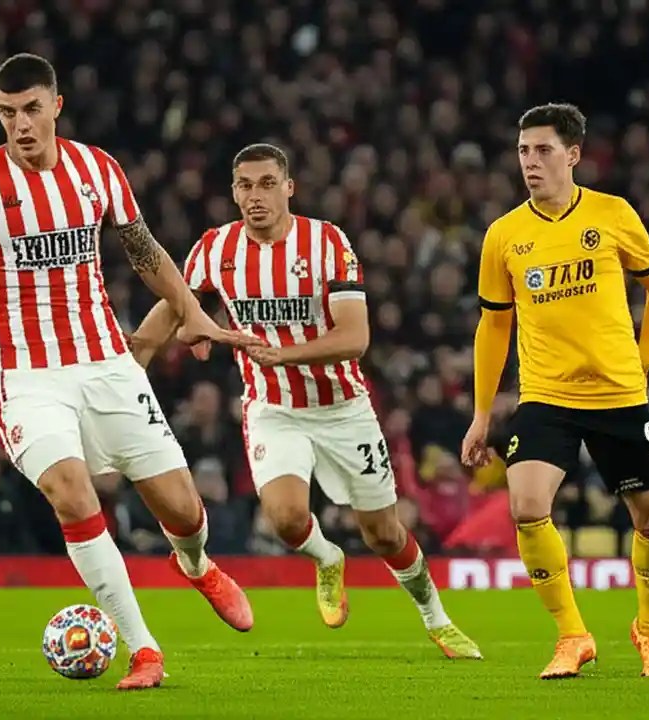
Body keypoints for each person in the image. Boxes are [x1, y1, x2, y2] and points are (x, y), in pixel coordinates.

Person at [0, 54, 259, 691]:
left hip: (107, 363)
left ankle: (195, 565)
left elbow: (144, 252)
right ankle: (144, 651)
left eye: (31, 109)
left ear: (56, 104)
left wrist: (191, 313)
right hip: (28, 379)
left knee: (183, 508)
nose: (21, 124)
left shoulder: (98, 170)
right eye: (7, 113)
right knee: (72, 495)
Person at [129, 143, 482, 660]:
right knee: (286, 519)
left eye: (268, 183)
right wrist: (133, 363)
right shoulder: (215, 248)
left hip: (343, 407)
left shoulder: (326, 243)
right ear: (233, 192)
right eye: (245, 186)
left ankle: (437, 617)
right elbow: (175, 304)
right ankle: (327, 556)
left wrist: (284, 354)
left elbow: (356, 336)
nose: (256, 196)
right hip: (272, 408)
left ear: (289, 187)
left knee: (384, 533)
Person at [460, 103, 649, 679]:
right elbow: (493, 326)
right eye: (523, 150)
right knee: (527, 507)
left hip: (618, 394)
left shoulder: (612, 215)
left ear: (573, 154)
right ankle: (572, 635)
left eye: (543, 150)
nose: (530, 161)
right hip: (545, 396)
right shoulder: (504, 235)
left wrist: (644, 359)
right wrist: (482, 414)